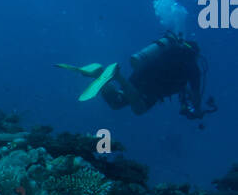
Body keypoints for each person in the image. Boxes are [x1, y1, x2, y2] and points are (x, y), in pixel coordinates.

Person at [58, 31, 216, 125]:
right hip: (154, 87)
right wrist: (198, 110)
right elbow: (195, 96)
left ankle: (100, 73)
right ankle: (117, 75)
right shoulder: (193, 68)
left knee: (117, 102)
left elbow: (180, 82)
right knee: (139, 108)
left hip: (142, 72)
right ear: (196, 55)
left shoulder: (172, 52)